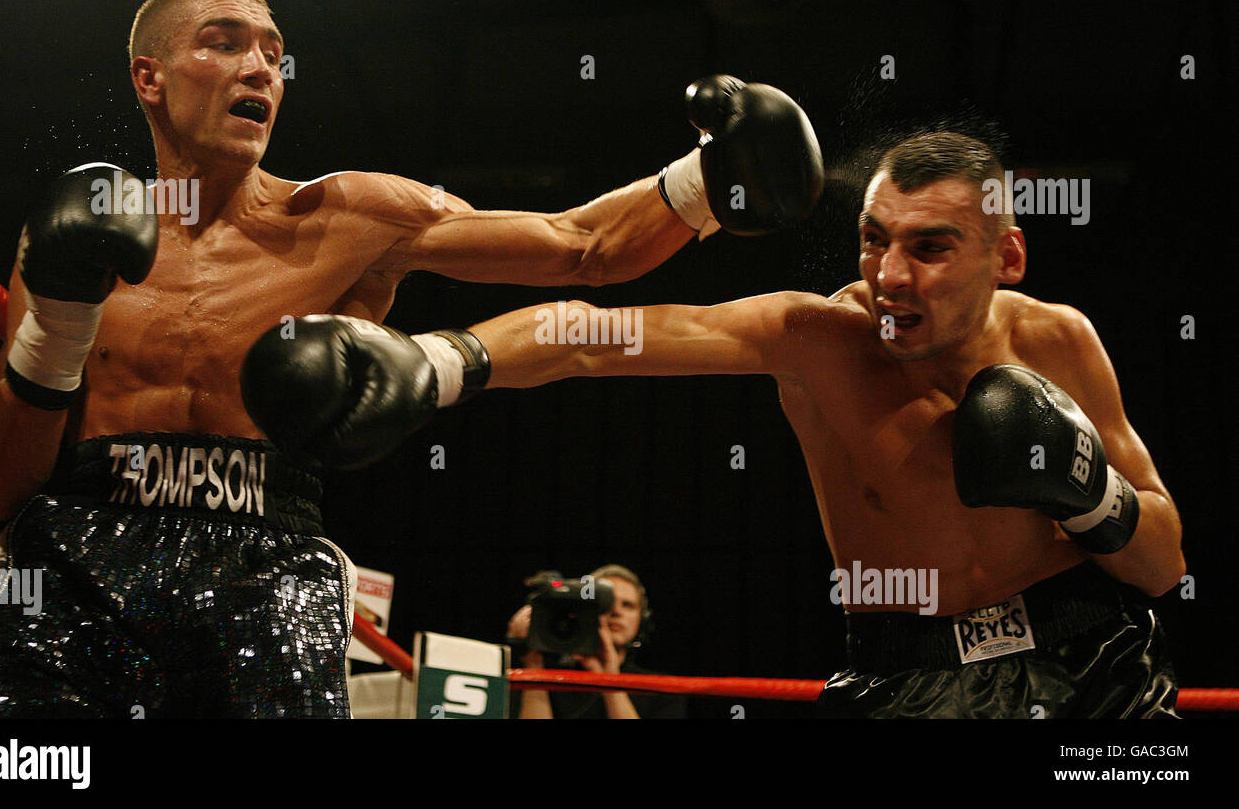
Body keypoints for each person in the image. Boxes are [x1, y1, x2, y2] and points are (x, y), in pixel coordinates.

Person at [0, 0, 819, 718]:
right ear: (150, 76)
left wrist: (705, 184)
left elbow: (580, 245)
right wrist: (56, 329)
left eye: (273, 53)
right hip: (80, 554)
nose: (260, 67)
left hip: (265, 565)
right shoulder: (75, 234)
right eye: (224, 42)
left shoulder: (350, 215)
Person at [258, 132, 1185, 717]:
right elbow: (600, 338)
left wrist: (1093, 496)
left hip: (1095, 663)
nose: (890, 275)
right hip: (913, 681)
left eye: (930, 247)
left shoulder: (1061, 341)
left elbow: (1164, 565)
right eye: (874, 238)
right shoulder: (818, 338)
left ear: (1006, 255)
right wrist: (439, 363)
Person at [505, 565, 686, 719]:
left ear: (643, 620)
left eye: (628, 605)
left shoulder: (662, 690)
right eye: (607, 603)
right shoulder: (537, 676)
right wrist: (533, 666)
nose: (616, 611)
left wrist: (609, 677)